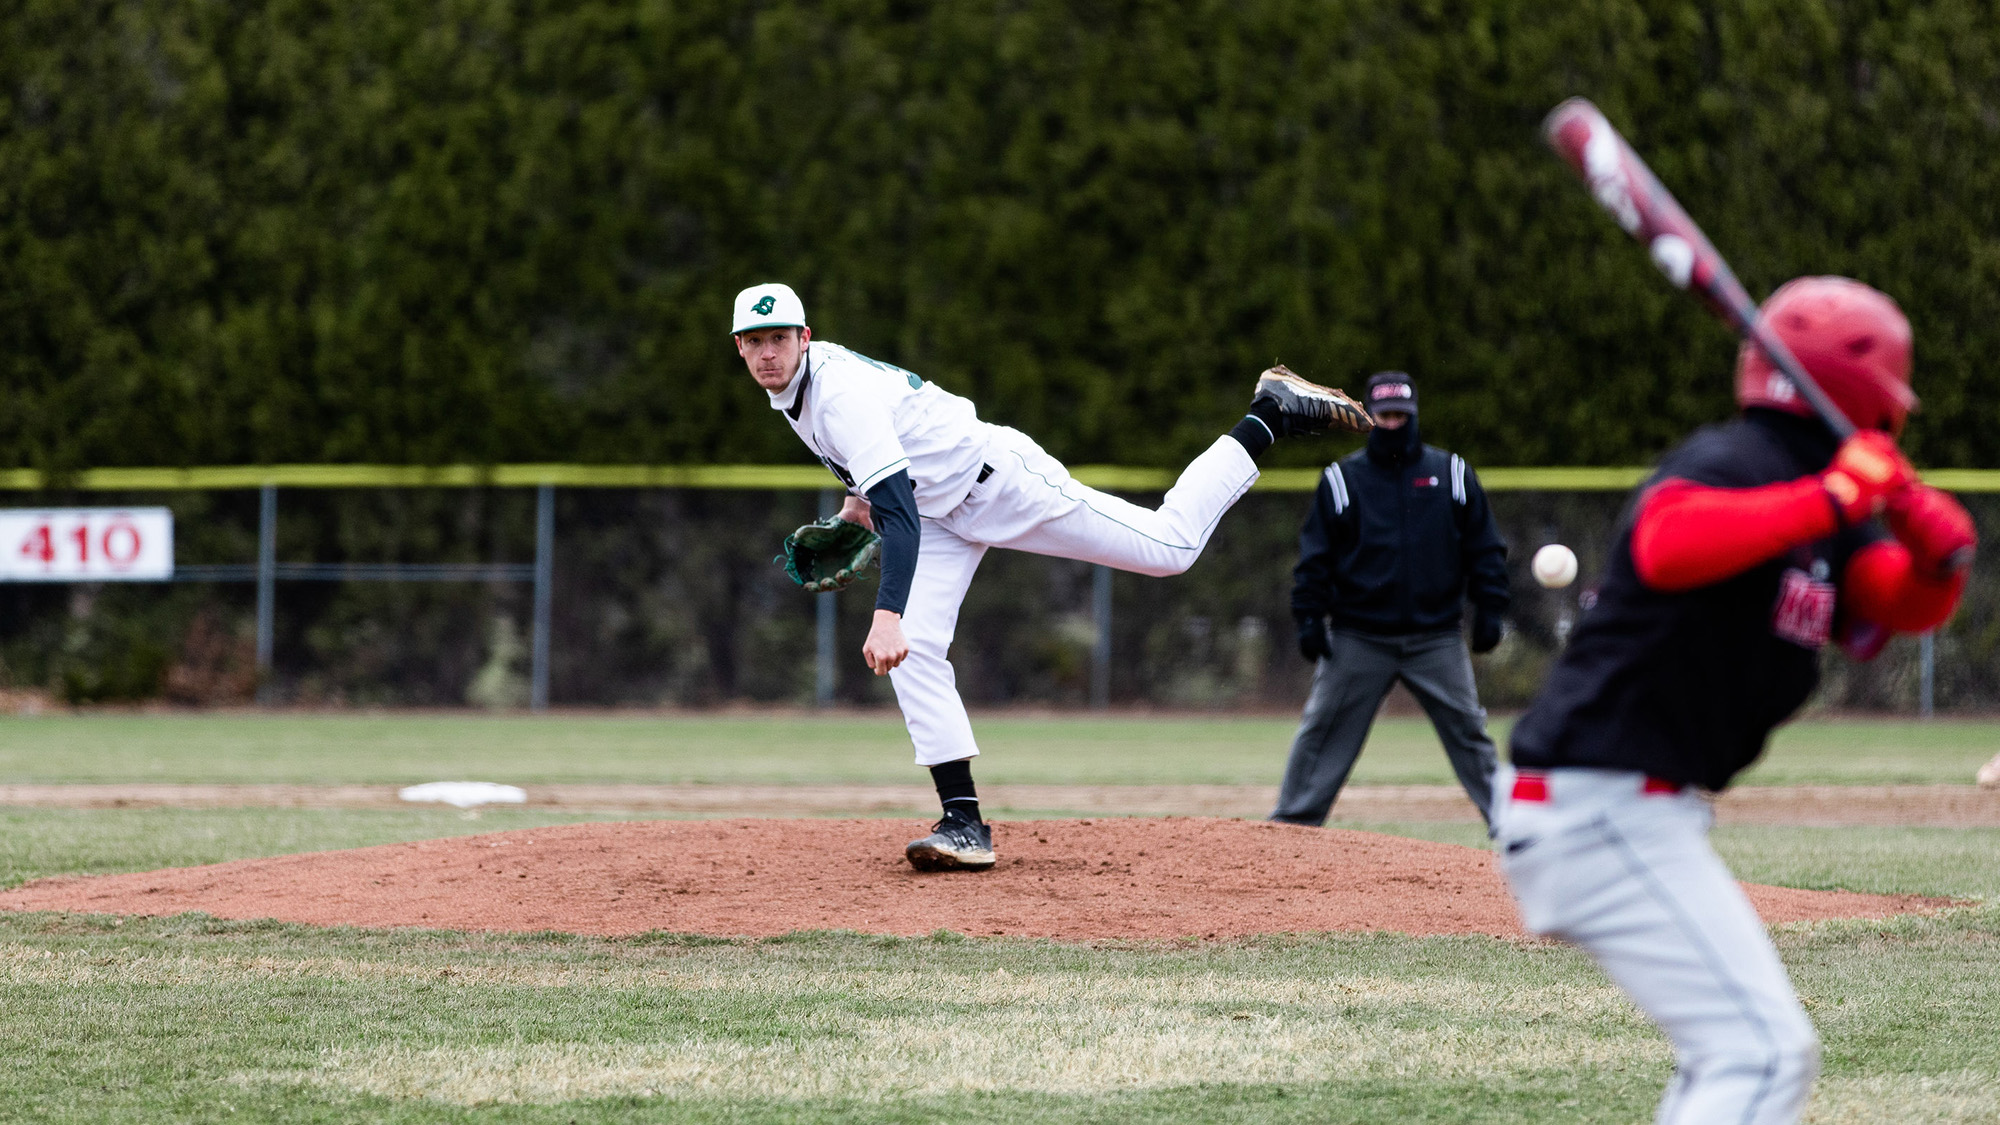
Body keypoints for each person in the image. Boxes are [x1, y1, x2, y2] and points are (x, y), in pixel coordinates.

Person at [1493, 277, 1975, 1124]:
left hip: (1634, 809)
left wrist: (1936, 561)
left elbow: (1891, 601)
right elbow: (1665, 539)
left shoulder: (1825, 503)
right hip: (1598, 805)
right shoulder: (1736, 463)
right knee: (1761, 1054)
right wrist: (1835, 497)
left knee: (1749, 1052)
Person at [731, 282, 1373, 871]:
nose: (768, 353)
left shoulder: (836, 394)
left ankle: (1270, 413)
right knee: (917, 653)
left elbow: (895, 508)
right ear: (739, 347)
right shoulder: (796, 392)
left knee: (1170, 547)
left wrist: (886, 613)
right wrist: (854, 507)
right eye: (755, 341)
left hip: (1001, 483)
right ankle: (964, 823)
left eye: (779, 338)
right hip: (941, 513)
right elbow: (888, 465)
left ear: (805, 338)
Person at [1270, 370, 1510, 827]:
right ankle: (1291, 827)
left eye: (1401, 415)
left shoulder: (1452, 474)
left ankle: (1513, 827)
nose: (1393, 423)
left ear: (1414, 415)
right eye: (1385, 416)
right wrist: (1309, 617)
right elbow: (1315, 558)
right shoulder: (1343, 480)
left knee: (1470, 733)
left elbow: (1485, 548)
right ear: (1369, 417)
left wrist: (1491, 608)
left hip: (1436, 637)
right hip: (1358, 636)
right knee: (1322, 729)